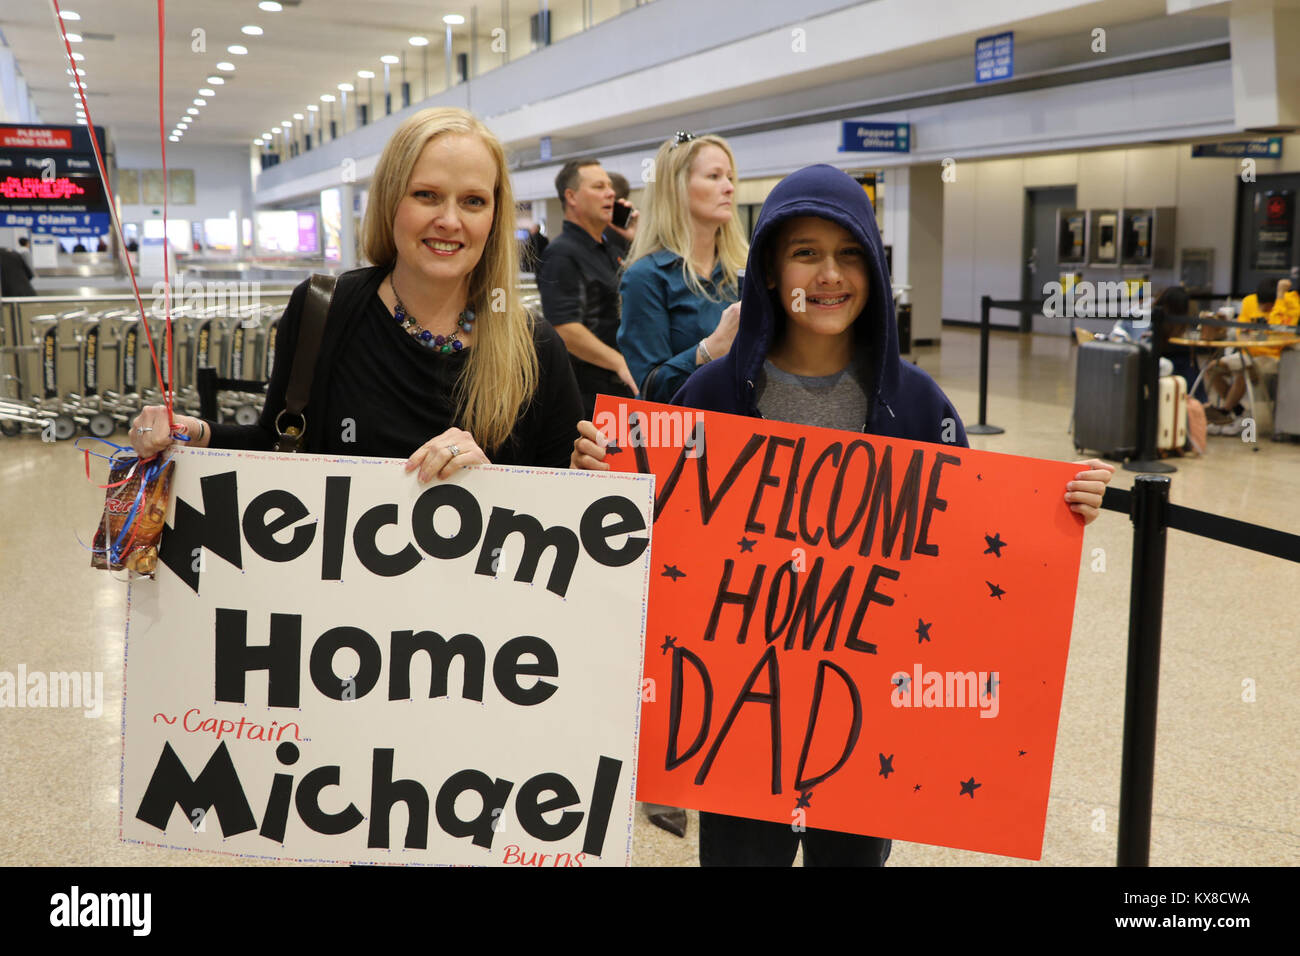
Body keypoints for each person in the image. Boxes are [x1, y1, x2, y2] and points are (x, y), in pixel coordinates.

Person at [571, 163, 1114, 866]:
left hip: (865, 719)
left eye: (850, 254)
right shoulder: (711, 396)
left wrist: (1058, 511)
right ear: (769, 270)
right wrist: (607, 480)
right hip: (740, 716)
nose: (830, 275)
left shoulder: (919, 406)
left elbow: (964, 550)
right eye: (806, 253)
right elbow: (657, 542)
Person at [130, 106, 582, 477]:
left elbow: (557, 496)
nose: (449, 220)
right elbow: (278, 441)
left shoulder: (534, 346)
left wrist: (496, 483)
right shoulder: (324, 309)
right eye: (426, 195)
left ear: (493, 216)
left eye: (473, 201)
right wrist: (192, 432)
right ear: (390, 201)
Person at [617, 131, 746, 404]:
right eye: (714, 176)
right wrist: (711, 348)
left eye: (730, 178)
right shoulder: (645, 277)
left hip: (742, 431)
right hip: (680, 438)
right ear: (676, 188)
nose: (729, 188)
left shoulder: (743, 269)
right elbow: (652, 389)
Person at [538, 158, 639, 420]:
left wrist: (634, 240)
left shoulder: (611, 247)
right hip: (589, 396)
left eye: (610, 187)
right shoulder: (561, 253)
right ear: (571, 197)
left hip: (619, 389)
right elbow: (564, 329)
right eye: (598, 187)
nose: (610, 193)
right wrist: (620, 363)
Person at [1204, 277, 1300, 436]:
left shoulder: (1290, 304)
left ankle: (1224, 412)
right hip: (1246, 353)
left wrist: (1280, 299)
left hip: (1272, 356)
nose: (1262, 308)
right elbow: (1241, 330)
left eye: (1267, 306)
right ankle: (1239, 413)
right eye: (1260, 303)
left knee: (1245, 370)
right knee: (1212, 368)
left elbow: (1279, 331)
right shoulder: (1249, 302)